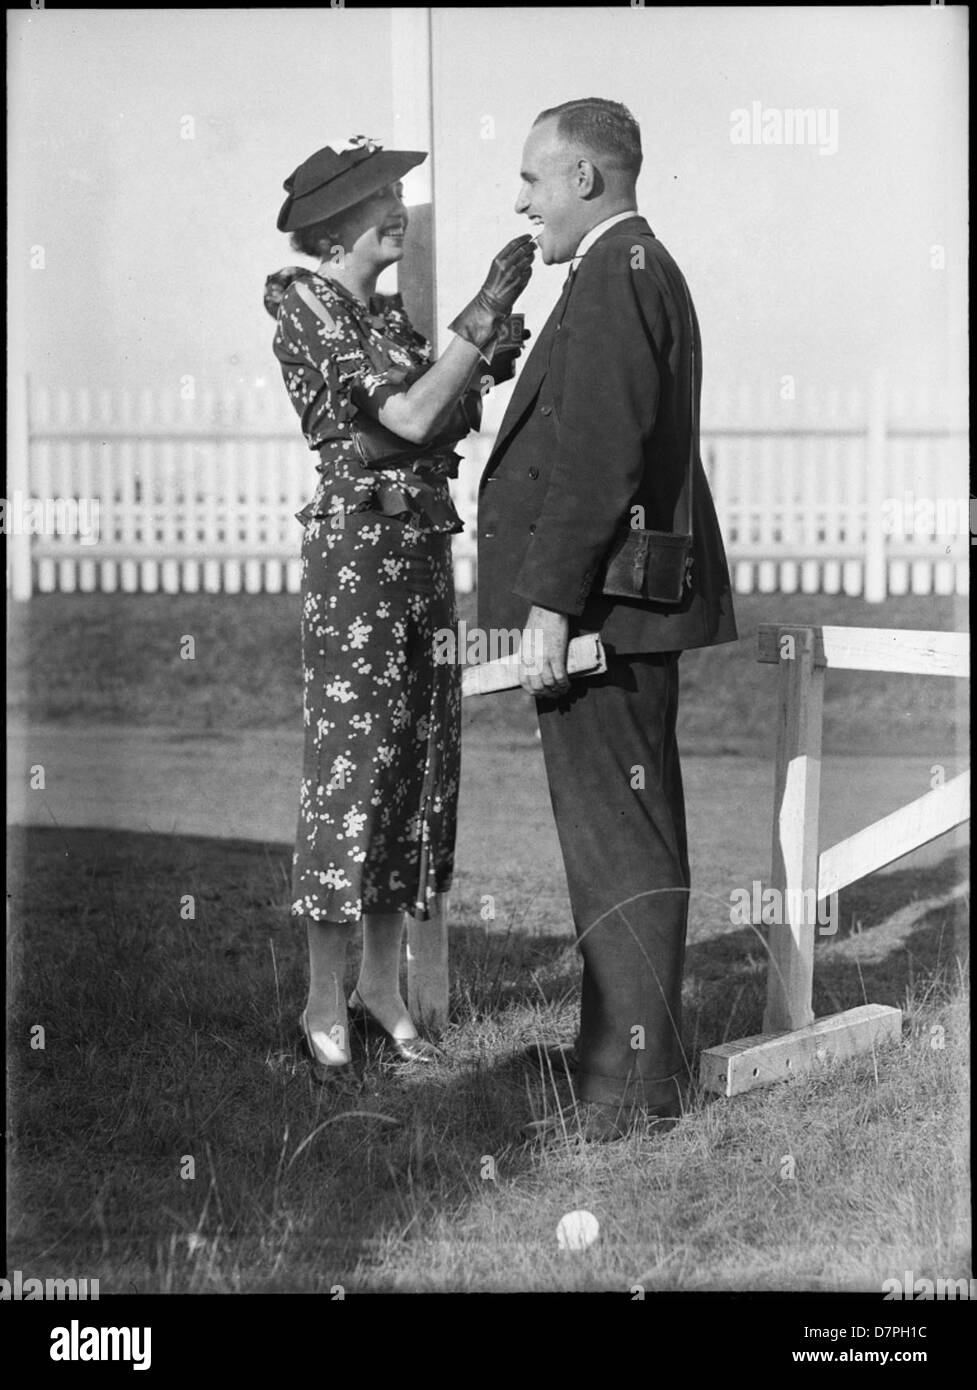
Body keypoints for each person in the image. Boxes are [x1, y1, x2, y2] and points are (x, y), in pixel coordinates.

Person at [475, 99, 738, 1141]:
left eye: (533, 179)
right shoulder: (620, 269)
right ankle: (609, 1056)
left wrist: (547, 605)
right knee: (611, 838)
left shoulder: (617, 274)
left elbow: (597, 460)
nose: (520, 199)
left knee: (619, 841)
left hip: (603, 616)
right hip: (619, 610)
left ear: (586, 178)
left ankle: (629, 1090)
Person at [269, 138, 534, 1084]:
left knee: (415, 765)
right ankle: (319, 1000)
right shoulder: (304, 304)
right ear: (333, 223)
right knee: (354, 768)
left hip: (418, 553)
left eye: (397, 193)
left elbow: (440, 415)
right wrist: (481, 314)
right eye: (381, 196)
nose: (399, 209)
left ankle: (381, 993)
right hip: (359, 562)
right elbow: (412, 419)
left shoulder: (380, 317)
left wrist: (482, 345)